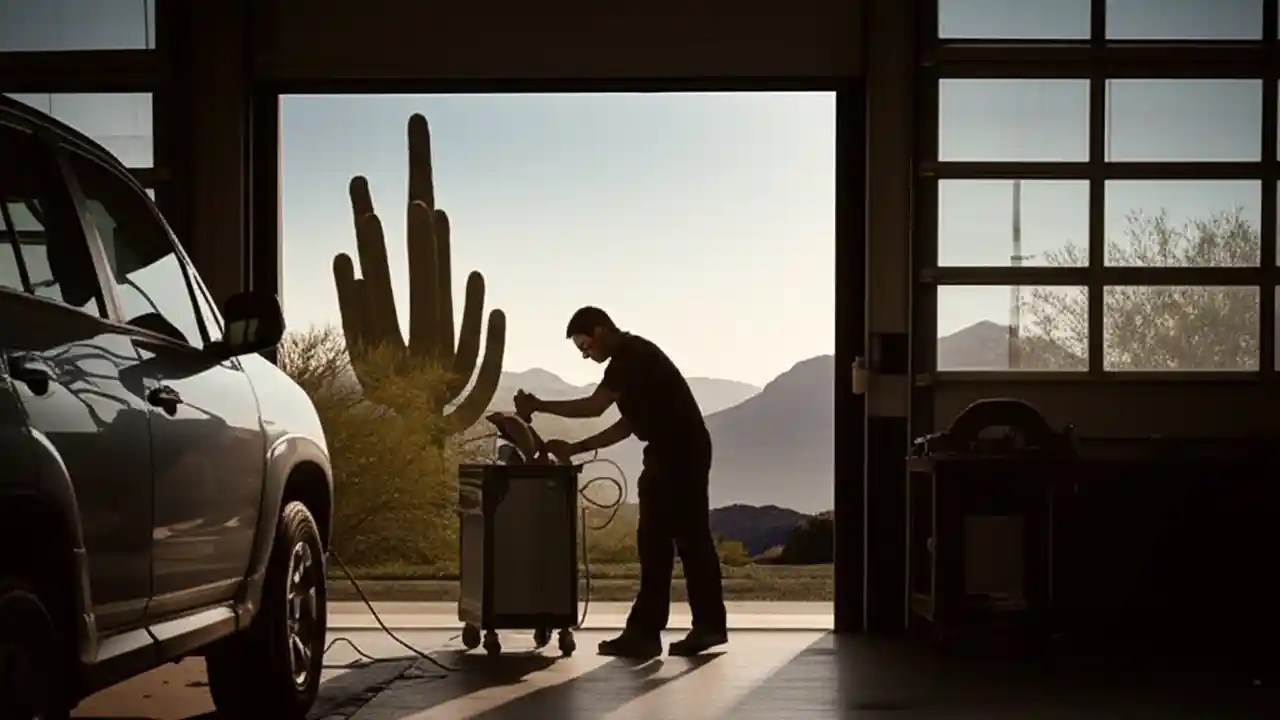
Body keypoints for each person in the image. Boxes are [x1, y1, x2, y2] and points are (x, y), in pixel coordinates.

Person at [514, 306, 728, 658]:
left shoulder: (630, 357)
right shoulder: (634, 360)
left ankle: (654, 632)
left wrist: (539, 404)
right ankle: (694, 627)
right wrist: (577, 447)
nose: (586, 355)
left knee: (672, 541)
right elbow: (626, 425)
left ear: (599, 332)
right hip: (674, 450)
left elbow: (594, 407)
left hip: (678, 452)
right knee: (673, 540)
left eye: (585, 346)